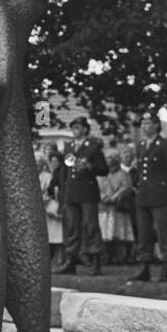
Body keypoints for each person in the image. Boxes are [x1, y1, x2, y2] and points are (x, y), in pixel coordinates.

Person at [55, 118, 107, 276]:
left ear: (85, 129)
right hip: (72, 192)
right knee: (73, 228)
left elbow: (103, 169)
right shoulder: (69, 146)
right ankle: (70, 260)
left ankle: (95, 261)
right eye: (73, 127)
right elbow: (64, 171)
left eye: (78, 127)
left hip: (88, 191)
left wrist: (90, 166)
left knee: (91, 227)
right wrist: (63, 194)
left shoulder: (93, 146)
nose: (75, 130)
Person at [132, 110, 167, 282]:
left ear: (156, 125)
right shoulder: (141, 145)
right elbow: (139, 171)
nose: (144, 126)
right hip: (143, 195)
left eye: (147, 123)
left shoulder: (165, 145)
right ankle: (144, 266)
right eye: (142, 123)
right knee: (143, 233)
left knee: (163, 232)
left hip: (161, 194)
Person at [98, 152, 133, 267]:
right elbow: (98, 186)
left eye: (111, 158)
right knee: (106, 233)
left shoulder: (123, 174)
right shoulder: (102, 174)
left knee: (120, 233)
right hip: (104, 207)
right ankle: (107, 256)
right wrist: (103, 197)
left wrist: (115, 196)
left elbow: (126, 187)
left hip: (118, 207)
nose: (109, 161)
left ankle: (121, 256)